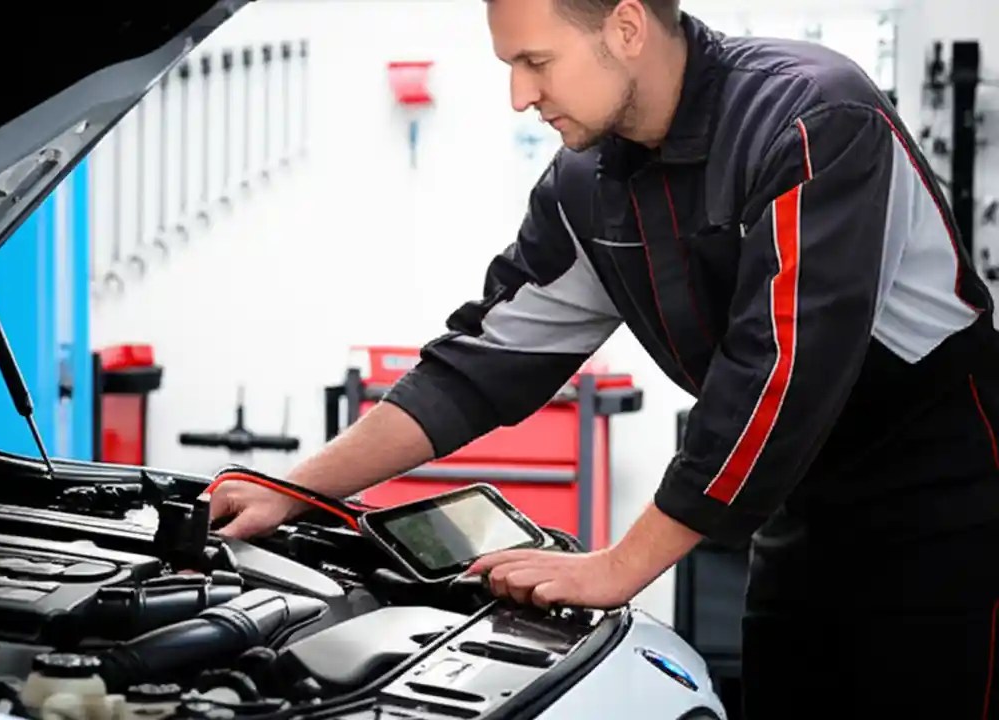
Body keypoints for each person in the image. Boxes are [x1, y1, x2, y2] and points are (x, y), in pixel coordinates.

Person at [208, 0, 999, 716]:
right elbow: (482, 361)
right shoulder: (589, 184)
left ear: (626, 28)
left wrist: (621, 566)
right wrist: (287, 489)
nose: (519, 96)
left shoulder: (813, 118)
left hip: (945, 505)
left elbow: (783, 373)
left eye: (536, 62)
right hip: (800, 513)